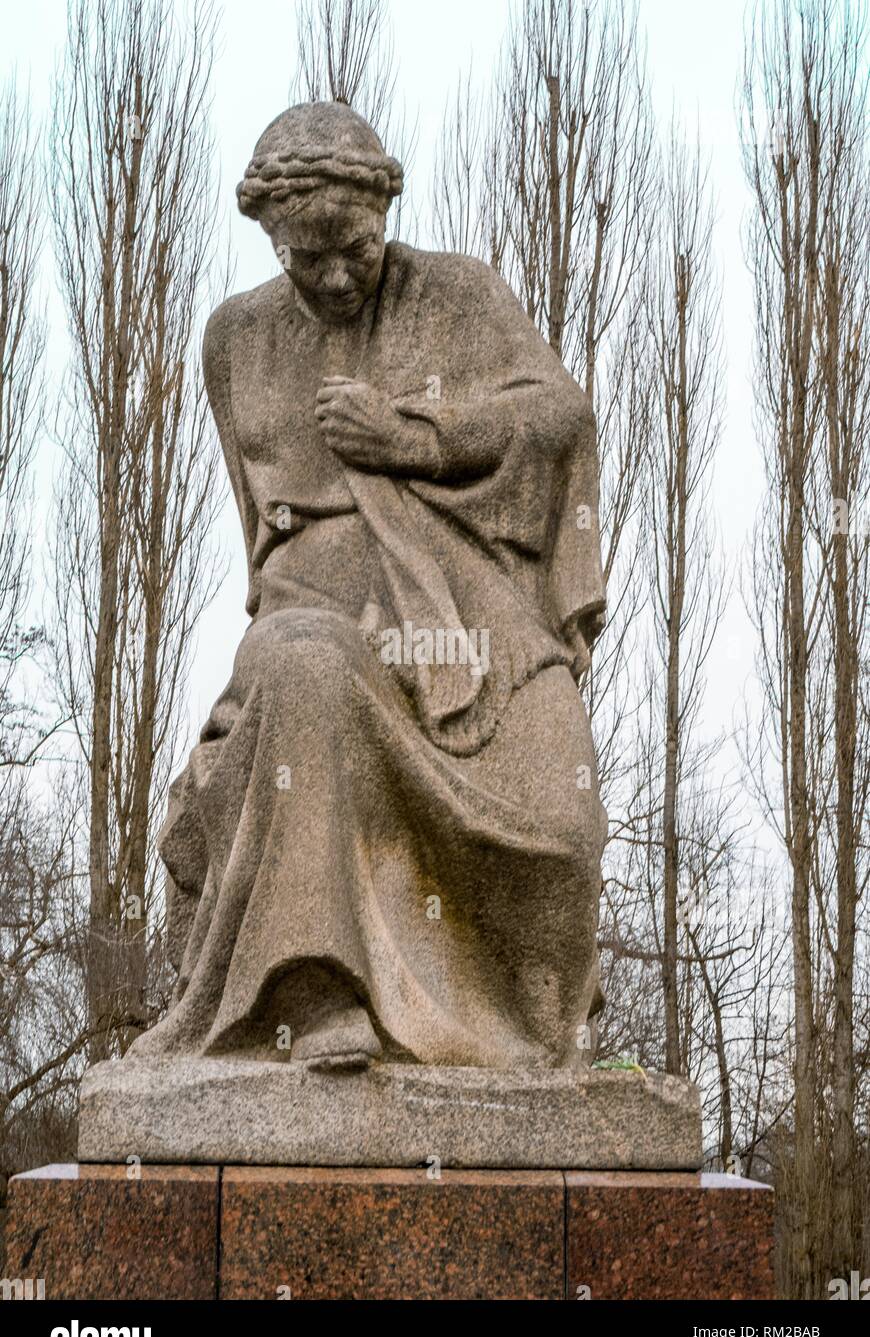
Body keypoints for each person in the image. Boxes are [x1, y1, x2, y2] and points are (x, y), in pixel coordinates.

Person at [130, 101, 608, 1074]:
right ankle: (312, 990)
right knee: (302, 669)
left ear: (385, 213)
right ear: (273, 243)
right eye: (309, 258)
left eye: (356, 248)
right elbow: (264, 545)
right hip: (314, 621)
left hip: (467, 619)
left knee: (563, 824)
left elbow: (559, 421)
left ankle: (520, 1047)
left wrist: (414, 439)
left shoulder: (458, 297)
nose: (339, 275)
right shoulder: (235, 343)